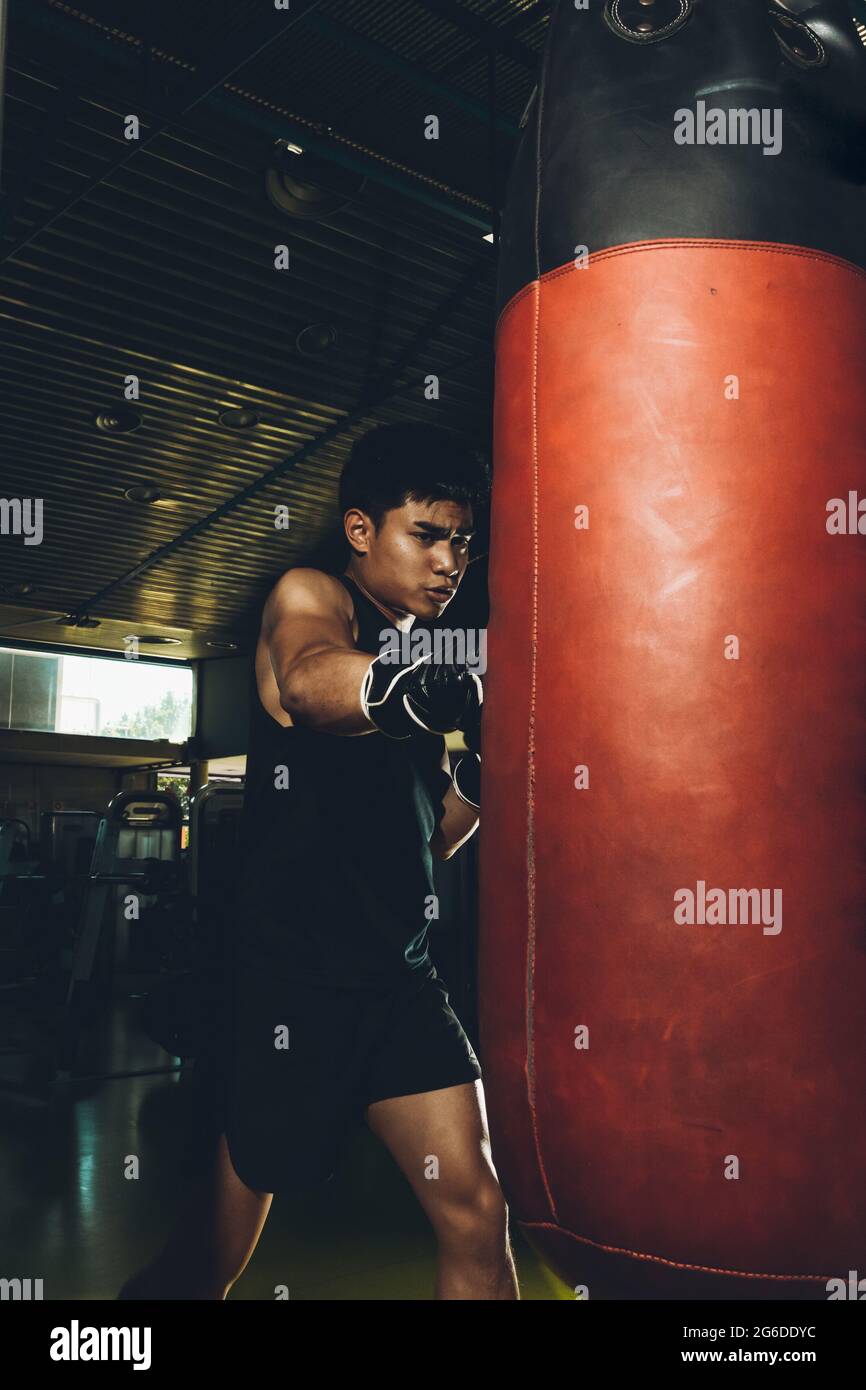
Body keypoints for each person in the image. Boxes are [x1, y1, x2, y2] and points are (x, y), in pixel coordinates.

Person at [120, 422, 518, 1300]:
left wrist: (487, 777)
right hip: (289, 989)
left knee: (477, 1213)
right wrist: (404, 689)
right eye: (427, 534)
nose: (451, 560)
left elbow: (433, 838)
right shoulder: (312, 598)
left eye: (462, 539)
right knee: (207, 1262)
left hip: (400, 985)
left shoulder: (413, 656)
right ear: (361, 532)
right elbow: (307, 679)